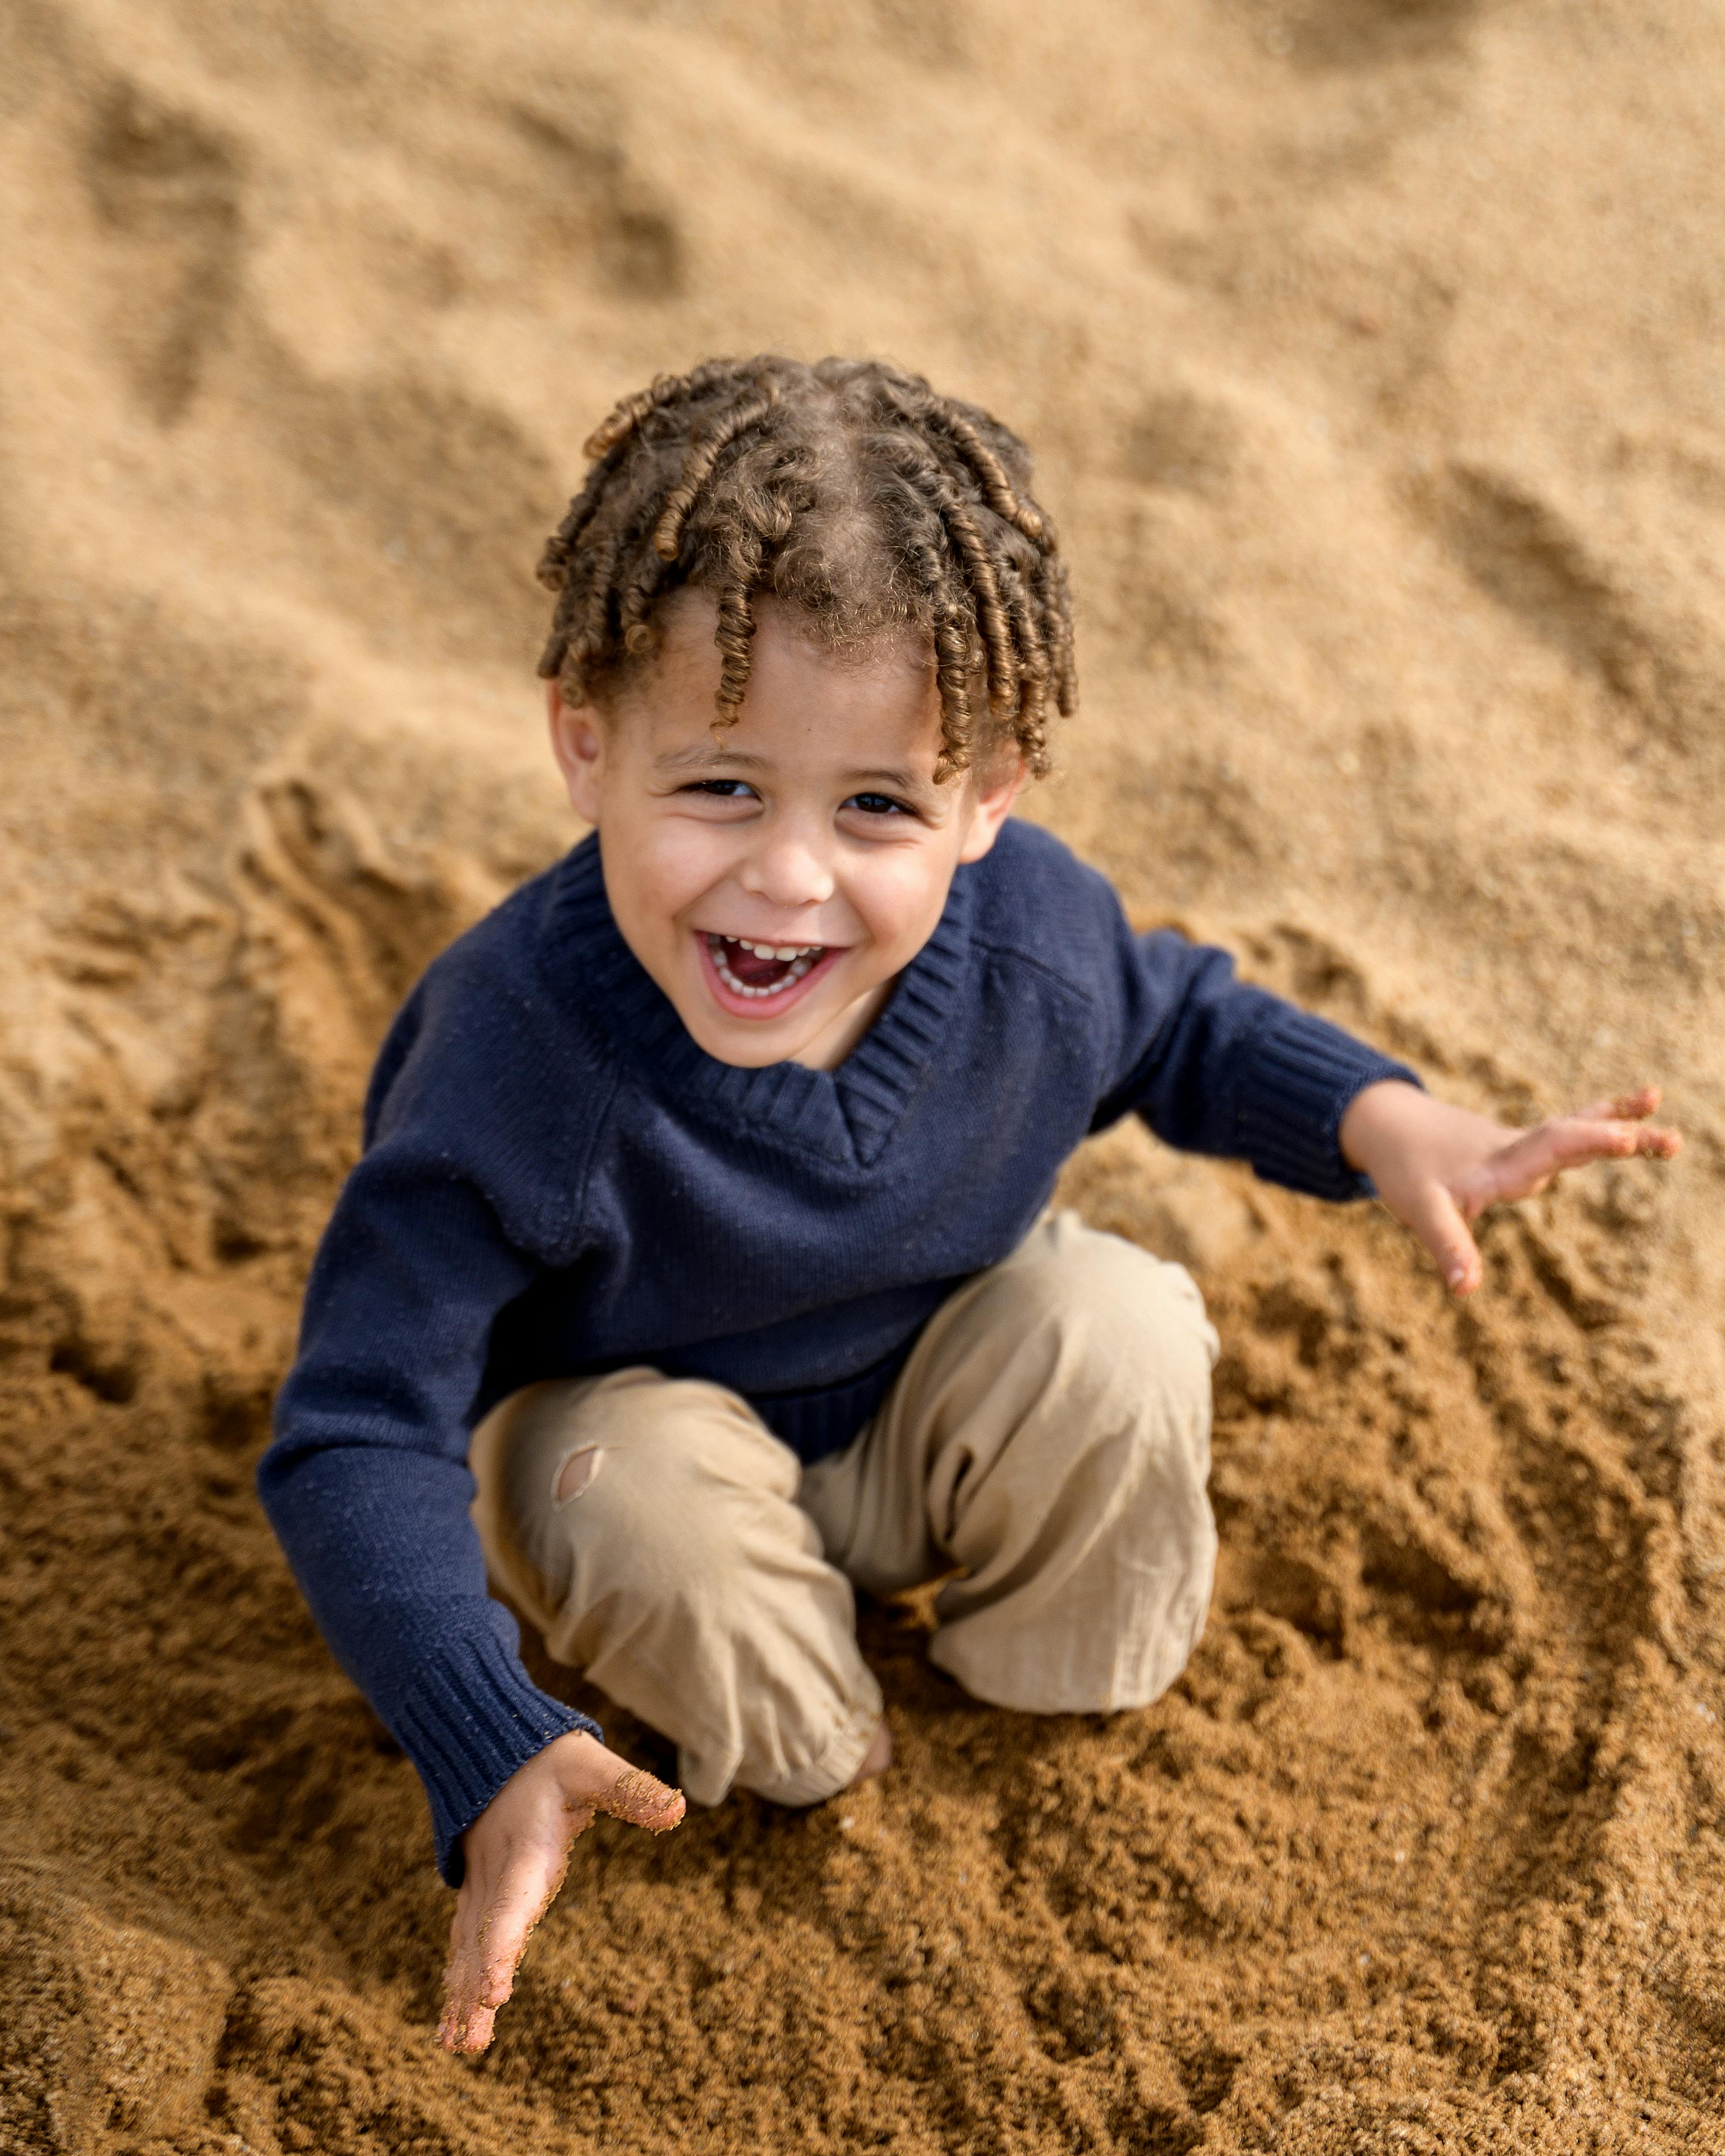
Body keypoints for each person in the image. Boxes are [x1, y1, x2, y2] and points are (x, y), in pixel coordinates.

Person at [258, 356, 1680, 2055]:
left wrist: (1384, 1120)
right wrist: (479, 1724)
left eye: (877, 806)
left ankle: (1036, 1680)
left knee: (1123, 1320)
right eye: (721, 783)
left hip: (928, 1402)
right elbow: (356, 1428)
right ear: (586, 741)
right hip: (641, 1451)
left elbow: (1187, 1023)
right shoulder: (512, 1055)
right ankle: (814, 1748)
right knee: (630, 1501)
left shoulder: (1027, 946)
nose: (790, 876)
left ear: (986, 799)